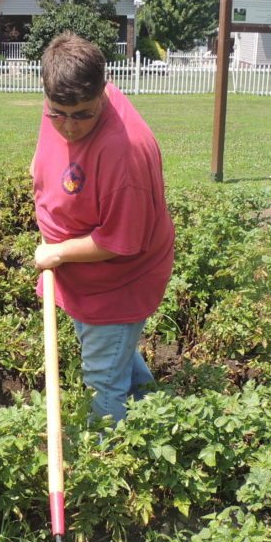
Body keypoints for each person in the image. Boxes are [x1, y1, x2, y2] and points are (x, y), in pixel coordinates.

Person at [30, 32, 175, 423]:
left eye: (82, 115)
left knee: (103, 381)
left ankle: (106, 451)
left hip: (117, 284)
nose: (69, 127)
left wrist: (57, 251)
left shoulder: (124, 155)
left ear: (102, 91)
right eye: (57, 113)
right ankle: (153, 416)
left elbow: (120, 241)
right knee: (115, 356)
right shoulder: (66, 96)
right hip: (84, 276)